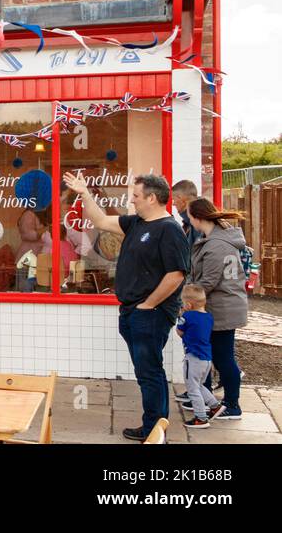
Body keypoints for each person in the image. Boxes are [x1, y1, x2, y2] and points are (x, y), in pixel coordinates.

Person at [64, 171, 187, 442]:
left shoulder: (169, 230)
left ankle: (154, 430)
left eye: (136, 196)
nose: (132, 201)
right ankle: (154, 425)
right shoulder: (136, 223)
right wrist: (85, 193)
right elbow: (100, 220)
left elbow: (176, 274)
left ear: (152, 198)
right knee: (146, 370)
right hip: (133, 310)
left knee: (149, 371)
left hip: (150, 313)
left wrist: (148, 305)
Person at [183, 197, 248, 421]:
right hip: (218, 307)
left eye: (189, 216)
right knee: (209, 355)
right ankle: (203, 398)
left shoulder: (216, 244)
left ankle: (232, 405)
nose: (188, 221)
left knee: (223, 358)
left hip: (223, 309)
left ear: (198, 218)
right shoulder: (214, 238)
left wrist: (186, 300)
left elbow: (207, 282)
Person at [175, 283, 222, 428]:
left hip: (193, 358)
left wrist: (180, 316)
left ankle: (200, 418)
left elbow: (180, 332)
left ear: (188, 304)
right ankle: (214, 406)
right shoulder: (208, 317)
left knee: (192, 388)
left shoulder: (188, 316)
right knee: (199, 385)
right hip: (206, 359)